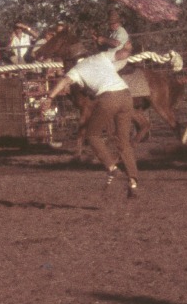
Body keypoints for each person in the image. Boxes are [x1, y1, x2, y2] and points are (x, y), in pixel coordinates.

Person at [47, 42, 140, 197]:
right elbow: (123, 54)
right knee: (124, 141)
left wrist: (50, 97)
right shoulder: (100, 56)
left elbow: (64, 81)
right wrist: (128, 47)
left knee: (92, 135)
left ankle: (111, 168)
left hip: (109, 98)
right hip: (126, 95)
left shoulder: (76, 70)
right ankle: (133, 182)